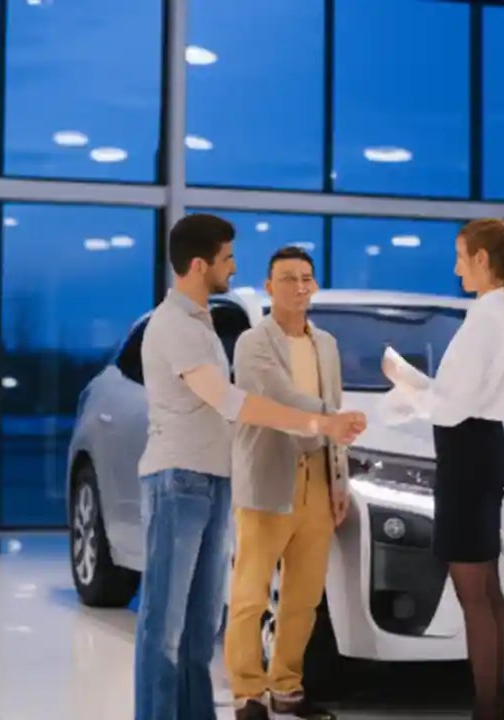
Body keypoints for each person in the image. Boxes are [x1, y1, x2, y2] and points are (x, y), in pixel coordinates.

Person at [133, 214, 366, 720]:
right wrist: (322, 424)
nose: (232, 267)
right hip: (180, 480)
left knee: (197, 630)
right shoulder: (177, 326)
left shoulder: (202, 323)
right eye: (227, 259)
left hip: (212, 480)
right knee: (165, 626)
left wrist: (332, 453)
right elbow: (234, 402)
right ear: (201, 264)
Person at [381, 217, 504, 720]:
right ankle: (495, 706)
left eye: (461, 256)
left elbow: (451, 405)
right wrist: (419, 389)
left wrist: (407, 392)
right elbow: (458, 396)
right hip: (483, 449)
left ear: (483, 260)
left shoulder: (487, 318)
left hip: (467, 454)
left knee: (475, 594)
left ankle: (487, 711)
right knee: (487, 589)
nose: (455, 266)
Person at [225, 247, 348, 720]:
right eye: (288, 279)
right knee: (251, 593)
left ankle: (287, 687)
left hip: (316, 477)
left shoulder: (328, 345)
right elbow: (278, 396)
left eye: (306, 278)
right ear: (269, 286)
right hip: (267, 477)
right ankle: (247, 692)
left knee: (304, 596)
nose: (299, 286)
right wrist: (332, 419)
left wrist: (339, 481)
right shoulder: (253, 343)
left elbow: (331, 405)